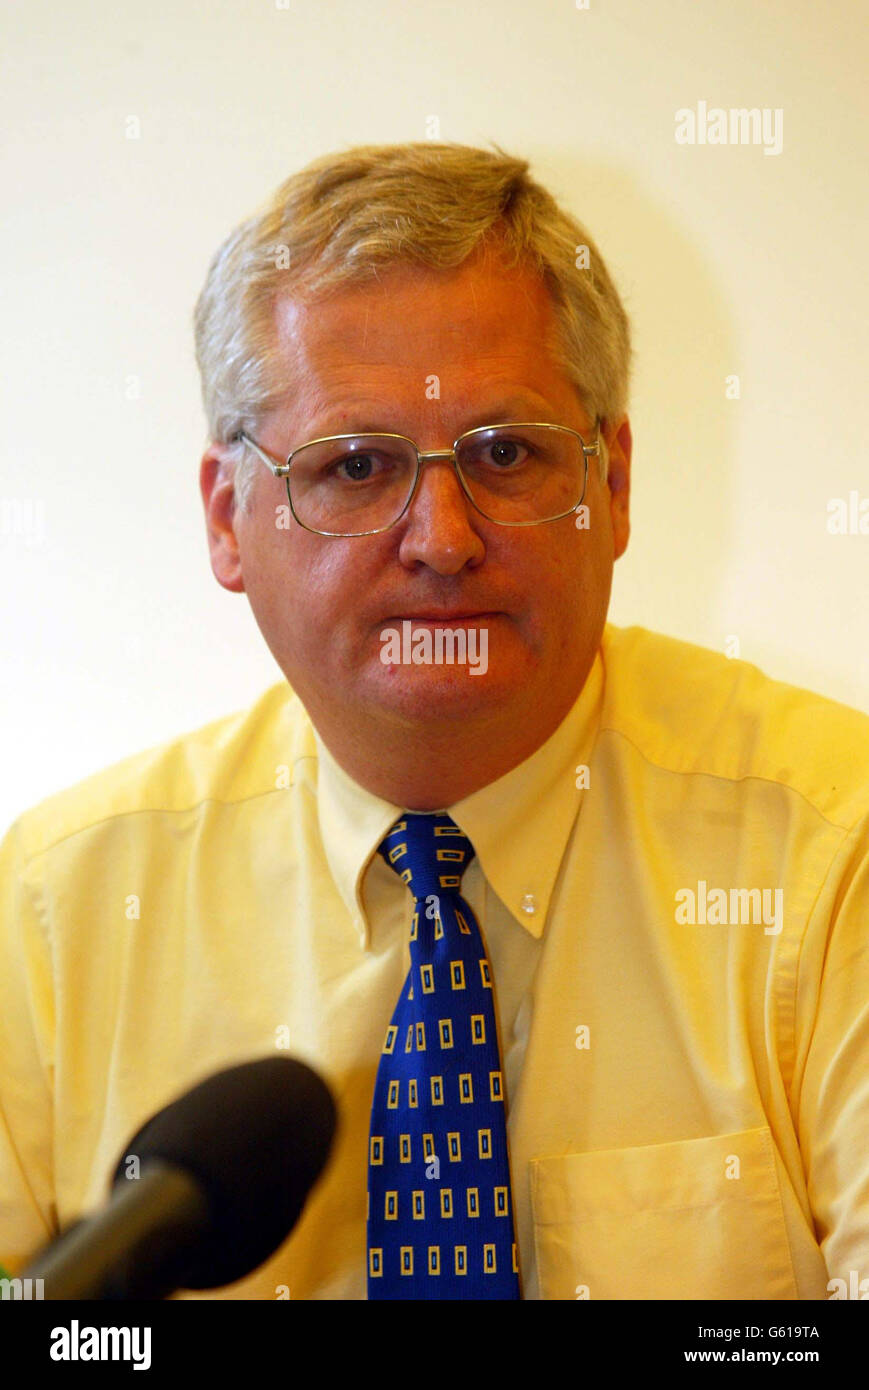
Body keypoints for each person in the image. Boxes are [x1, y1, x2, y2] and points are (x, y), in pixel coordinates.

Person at [1, 141, 867, 1301]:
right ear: (226, 518)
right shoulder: (56, 913)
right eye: (354, 466)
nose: (441, 539)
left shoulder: (830, 853)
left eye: (505, 454)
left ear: (609, 488)